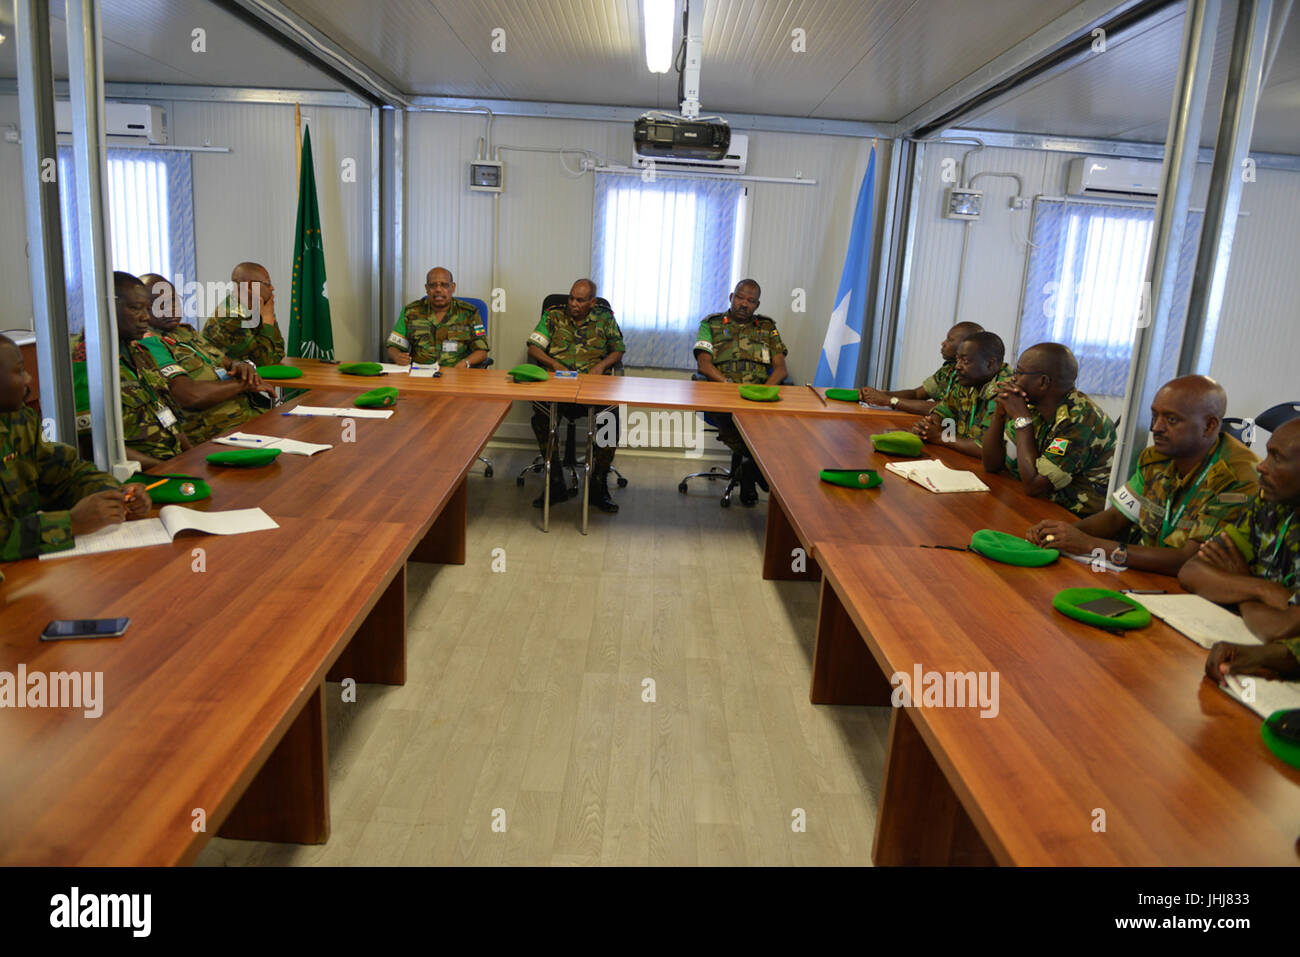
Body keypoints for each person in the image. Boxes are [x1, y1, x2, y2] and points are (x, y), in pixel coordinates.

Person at [1025, 376, 1258, 576]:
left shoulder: (1239, 478)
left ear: (1209, 426)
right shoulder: (1156, 458)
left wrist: (1089, 544)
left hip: (1195, 590)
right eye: (1155, 416)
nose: (1156, 427)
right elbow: (1117, 517)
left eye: (1171, 420)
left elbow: (1190, 560)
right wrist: (1060, 533)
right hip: (1144, 573)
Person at [0, 334, 151, 564]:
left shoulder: (18, 422)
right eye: (20, 371)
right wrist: (70, 523)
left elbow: (68, 473)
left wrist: (114, 495)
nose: (29, 379)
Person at [1180, 418, 1300, 644]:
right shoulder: (1269, 505)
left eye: (1277, 458)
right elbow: (1192, 571)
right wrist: (1260, 589)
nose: (1261, 466)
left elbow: (1281, 631)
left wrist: (1239, 586)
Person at [982, 342, 1115, 517]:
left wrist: (1022, 420)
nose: (1012, 379)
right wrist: (999, 414)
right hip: (1039, 507)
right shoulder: (1034, 408)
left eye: (1019, 373)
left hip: (1072, 521)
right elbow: (992, 465)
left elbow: (1034, 485)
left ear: (1043, 382)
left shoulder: (1081, 421)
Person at [526, 279, 625, 513]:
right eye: (571, 298)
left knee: (611, 420)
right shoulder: (553, 316)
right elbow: (533, 348)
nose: (573, 303)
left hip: (594, 386)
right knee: (540, 416)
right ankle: (556, 481)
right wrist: (553, 363)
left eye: (580, 300)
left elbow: (618, 349)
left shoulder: (604, 318)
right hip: (558, 386)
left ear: (592, 302)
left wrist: (601, 365)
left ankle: (598, 486)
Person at [71, 272, 189, 469]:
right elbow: (93, 446)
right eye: (136, 308)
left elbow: (168, 415)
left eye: (147, 308)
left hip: (172, 463)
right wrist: (167, 469)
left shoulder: (139, 351)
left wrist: (192, 458)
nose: (146, 316)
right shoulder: (84, 363)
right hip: (135, 476)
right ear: (106, 308)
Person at [140, 274, 269, 444]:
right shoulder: (149, 343)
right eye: (160, 304)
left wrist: (242, 366)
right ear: (144, 309)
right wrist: (245, 384)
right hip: (216, 432)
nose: (170, 309)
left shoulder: (185, 332)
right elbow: (191, 396)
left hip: (249, 414)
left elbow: (226, 362)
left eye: (174, 301)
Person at [693, 279, 787, 506]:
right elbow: (704, 365)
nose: (744, 304)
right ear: (731, 298)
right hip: (724, 394)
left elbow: (781, 368)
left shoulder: (767, 327)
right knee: (735, 426)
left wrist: (763, 393)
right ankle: (754, 470)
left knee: (781, 432)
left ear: (757, 304)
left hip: (760, 396)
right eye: (741, 298)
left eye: (751, 301)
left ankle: (749, 468)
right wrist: (727, 385)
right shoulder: (711, 324)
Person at [913, 331, 1012, 459]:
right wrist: (927, 427)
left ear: (990, 364)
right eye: (957, 359)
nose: (957, 367)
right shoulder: (968, 379)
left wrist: (940, 437)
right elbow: (943, 413)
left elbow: (984, 448)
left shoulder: (1005, 390)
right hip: (964, 460)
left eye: (965, 361)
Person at [859, 321, 982, 414]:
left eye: (950, 340)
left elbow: (946, 408)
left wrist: (890, 400)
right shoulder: (949, 369)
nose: (943, 343)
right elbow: (917, 394)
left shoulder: (973, 374)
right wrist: (882, 394)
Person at [386, 267, 488, 369]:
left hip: (456, 374)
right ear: (426, 288)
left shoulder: (470, 313)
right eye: (433, 285)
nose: (438, 289)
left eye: (444, 285)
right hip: (419, 373)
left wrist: (465, 363)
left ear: (452, 287)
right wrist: (397, 356)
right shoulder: (410, 311)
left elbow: (482, 351)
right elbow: (393, 346)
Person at [202, 261, 286, 367]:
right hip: (219, 378)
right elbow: (264, 361)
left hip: (245, 375)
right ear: (250, 286)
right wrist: (268, 318)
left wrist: (267, 317)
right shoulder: (230, 316)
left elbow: (279, 352)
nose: (272, 288)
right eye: (267, 284)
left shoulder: (259, 306)